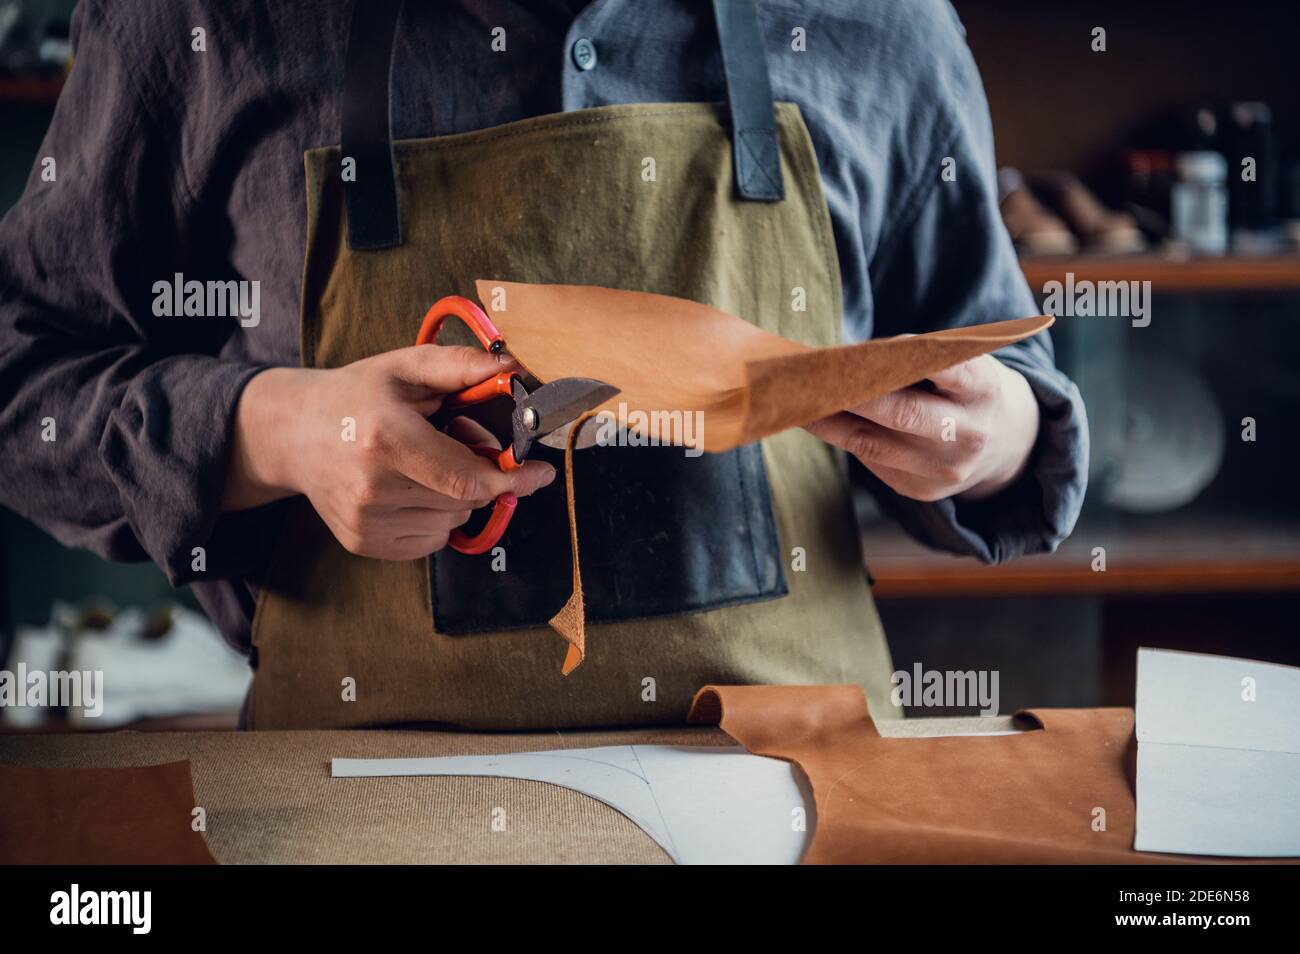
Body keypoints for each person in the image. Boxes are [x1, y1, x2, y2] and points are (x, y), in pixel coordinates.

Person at [0, 0, 1087, 729]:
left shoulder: (886, 22)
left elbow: (1002, 378)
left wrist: (993, 440)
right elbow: (22, 381)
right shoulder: (195, 21)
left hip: (792, 804)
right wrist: (276, 430)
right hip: (361, 809)